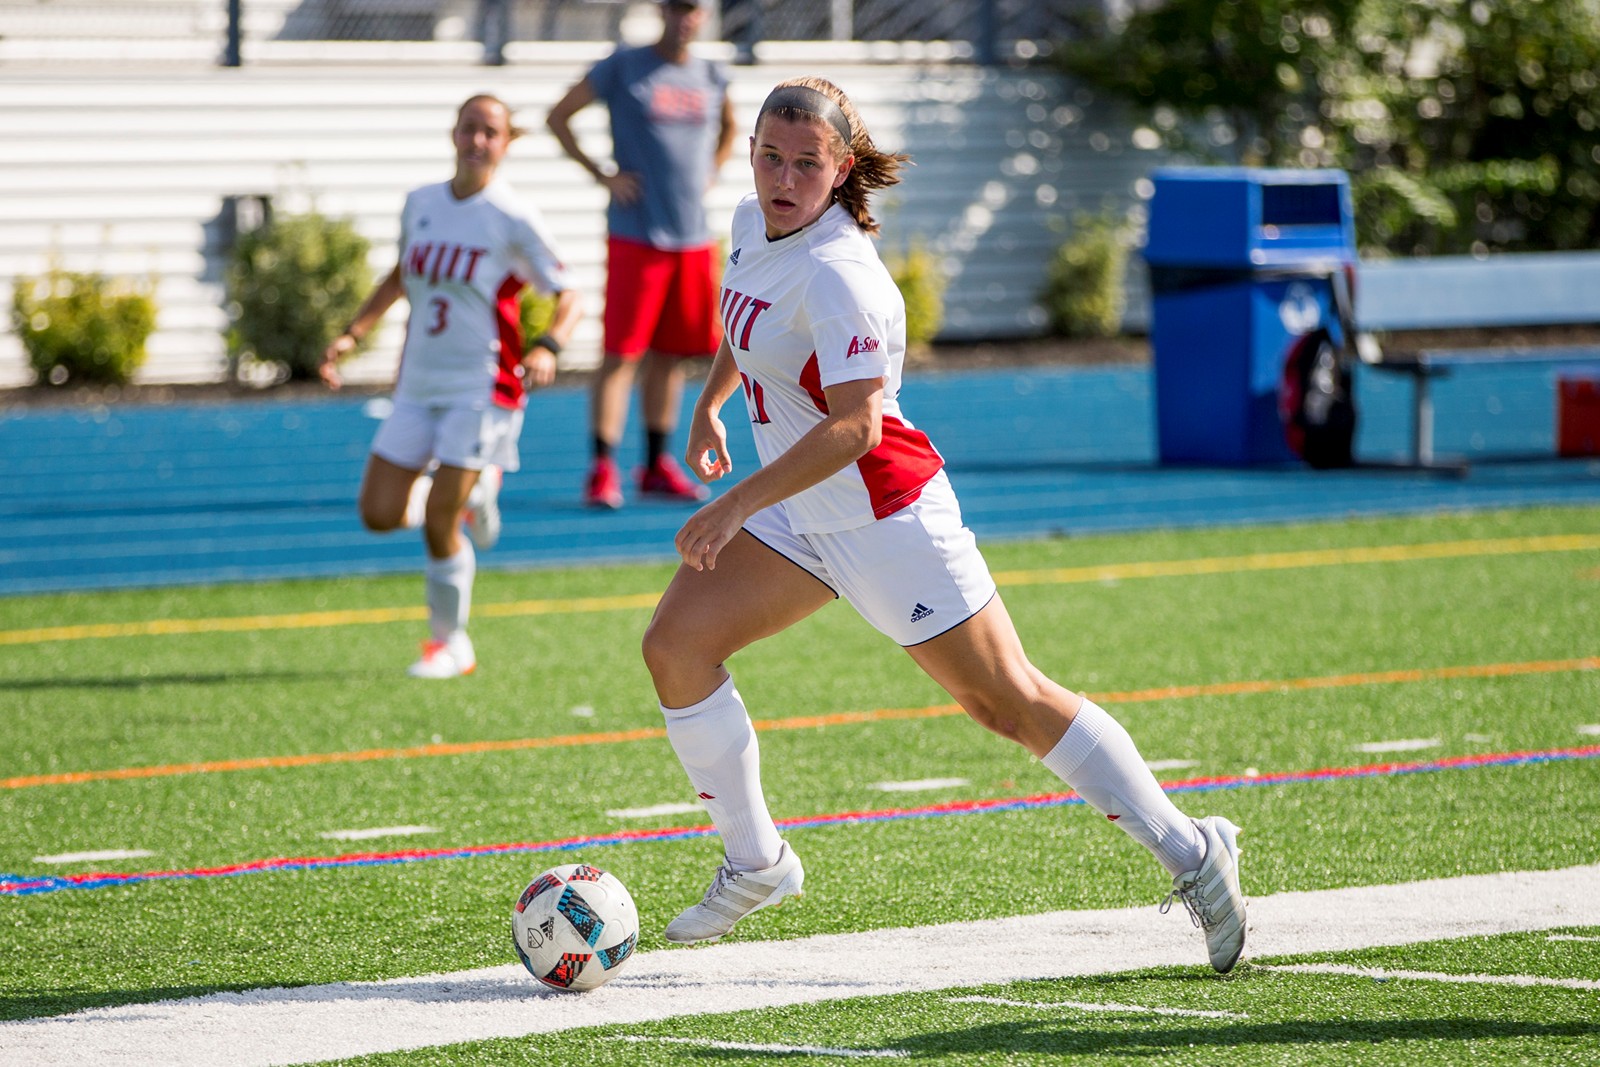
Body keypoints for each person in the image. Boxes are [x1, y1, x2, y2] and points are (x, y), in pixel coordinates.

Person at [639, 77, 1249, 972]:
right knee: (675, 648)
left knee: (1007, 701)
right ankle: (757, 861)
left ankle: (1196, 852)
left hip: (886, 515)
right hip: (799, 513)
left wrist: (734, 504)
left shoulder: (844, 275)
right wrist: (709, 406)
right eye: (771, 155)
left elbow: (858, 427)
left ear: (842, 169)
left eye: (807, 163)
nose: (782, 176)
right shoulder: (750, 221)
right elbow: (745, 313)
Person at [321, 94, 581, 680]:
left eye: (491, 132)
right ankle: (480, 487)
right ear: (454, 134)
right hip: (417, 383)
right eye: (469, 128)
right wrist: (352, 332)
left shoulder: (512, 215)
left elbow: (569, 294)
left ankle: (451, 643)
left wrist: (549, 346)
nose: (478, 141)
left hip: (480, 385)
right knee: (379, 513)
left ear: (506, 142)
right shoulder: (420, 202)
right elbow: (400, 273)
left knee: (441, 519)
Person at [545, 0, 736, 510]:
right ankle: (602, 468)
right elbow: (558, 116)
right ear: (662, 11)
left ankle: (655, 466)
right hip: (636, 235)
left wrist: (712, 171)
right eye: (677, 7)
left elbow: (731, 129)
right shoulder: (624, 65)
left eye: (694, 8)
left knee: (671, 355)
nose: (685, 17)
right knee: (621, 354)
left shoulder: (713, 73)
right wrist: (602, 174)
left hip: (692, 237)